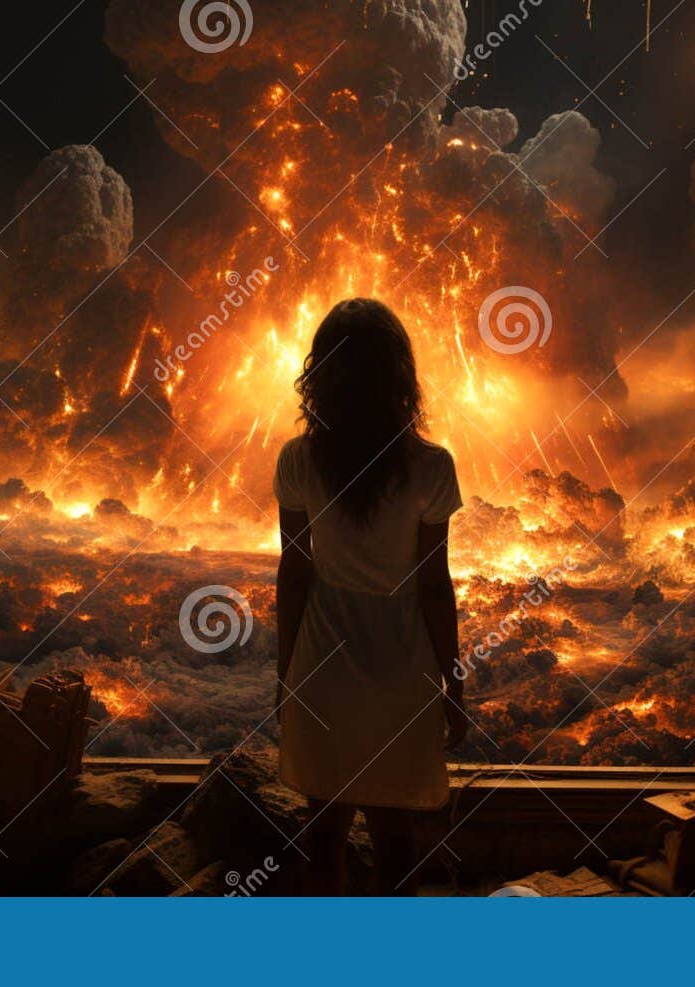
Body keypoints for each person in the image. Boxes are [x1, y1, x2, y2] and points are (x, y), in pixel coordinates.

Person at [273, 297, 465, 896]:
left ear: (321, 376)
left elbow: (295, 574)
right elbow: (434, 586)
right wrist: (453, 684)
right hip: (400, 677)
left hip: (323, 672)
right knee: (395, 842)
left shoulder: (298, 461)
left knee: (323, 837)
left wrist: (285, 675)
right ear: (400, 378)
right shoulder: (431, 468)